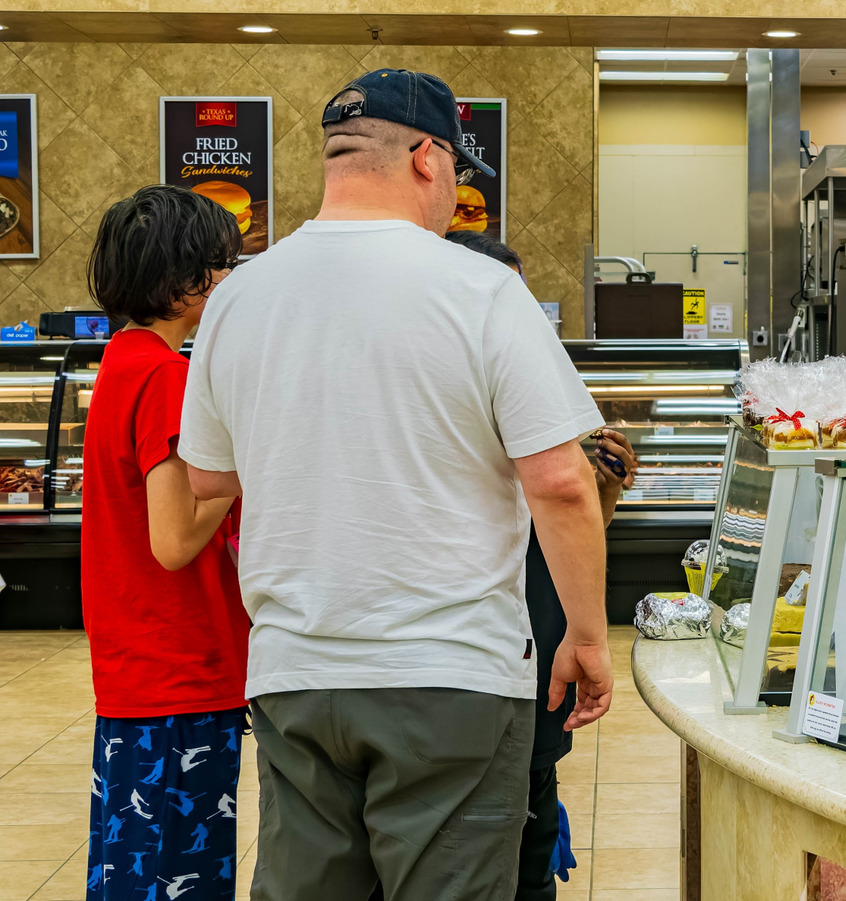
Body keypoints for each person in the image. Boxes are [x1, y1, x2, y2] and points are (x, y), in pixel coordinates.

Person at [178, 69, 613, 901]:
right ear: (425, 158)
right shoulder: (482, 288)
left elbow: (207, 474)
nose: (455, 192)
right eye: (456, 172)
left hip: (295, 670)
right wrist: (587, 636)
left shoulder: (237, 298)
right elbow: (560, 482)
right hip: (451, 676)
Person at [441, 229, 639, 901]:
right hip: (477, 666)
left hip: (531, 664)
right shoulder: (441, 400)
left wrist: (603, 486)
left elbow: (559, 522)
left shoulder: (517, 383)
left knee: (526, 826)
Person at [80, 184, 250, 901]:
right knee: (180, 872)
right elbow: (175, 538)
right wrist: (244, 467)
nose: (231, 281)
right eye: (223, 266)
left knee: (131, 866)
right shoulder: (167, 376)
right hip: (180, 670)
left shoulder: (122, 361)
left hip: (138, 668)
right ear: (186, 282)